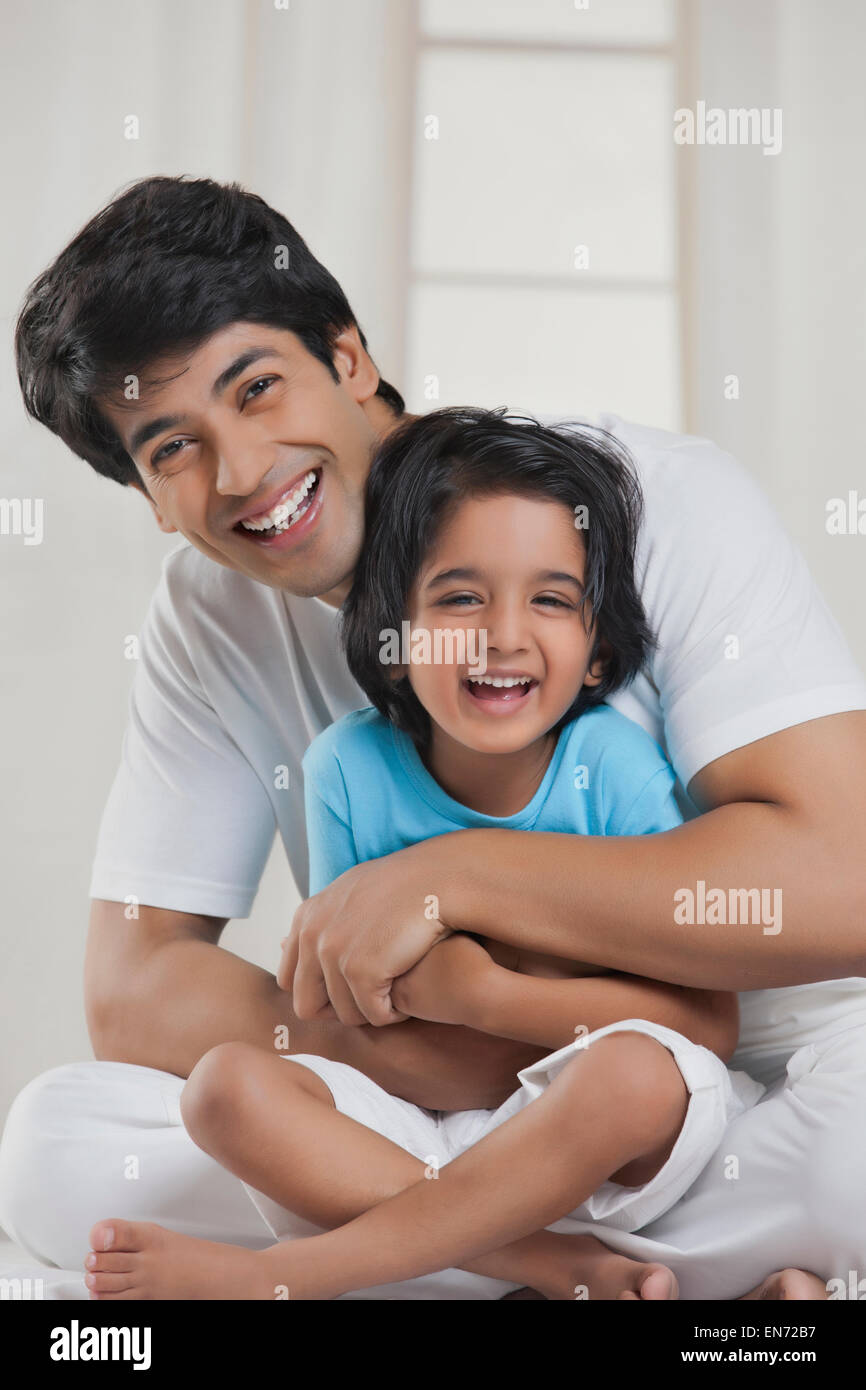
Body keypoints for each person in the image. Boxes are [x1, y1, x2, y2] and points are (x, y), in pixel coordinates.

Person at [2, 175, 866, 1301]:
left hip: (736, 1083)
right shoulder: (206, 616)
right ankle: (553, 1270)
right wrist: (444, 1046)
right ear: (150, 498)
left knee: (845, 1159)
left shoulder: (630, 497)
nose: (244, 470)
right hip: (434, 1101)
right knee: (56, 1147)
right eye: (173, 449)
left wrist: (455, 878)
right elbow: (135, 985)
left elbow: (841, 881)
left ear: (348, 356)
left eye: (257, 387)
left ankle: (403, 1259)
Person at [81, 406, 772, 1300]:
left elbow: (704, 1030)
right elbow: (344, 1012)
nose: (504, 635)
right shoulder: (345, 770)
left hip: (589, 1132)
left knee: (635, 1076)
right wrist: (516, 990)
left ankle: (288, 1278)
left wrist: (485, 991)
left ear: (598, 652)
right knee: (220, 1090)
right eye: (459, 597)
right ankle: (551, 1269)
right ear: (392, 637)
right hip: (414, 1127)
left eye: (551, 600)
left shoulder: (614, 768)